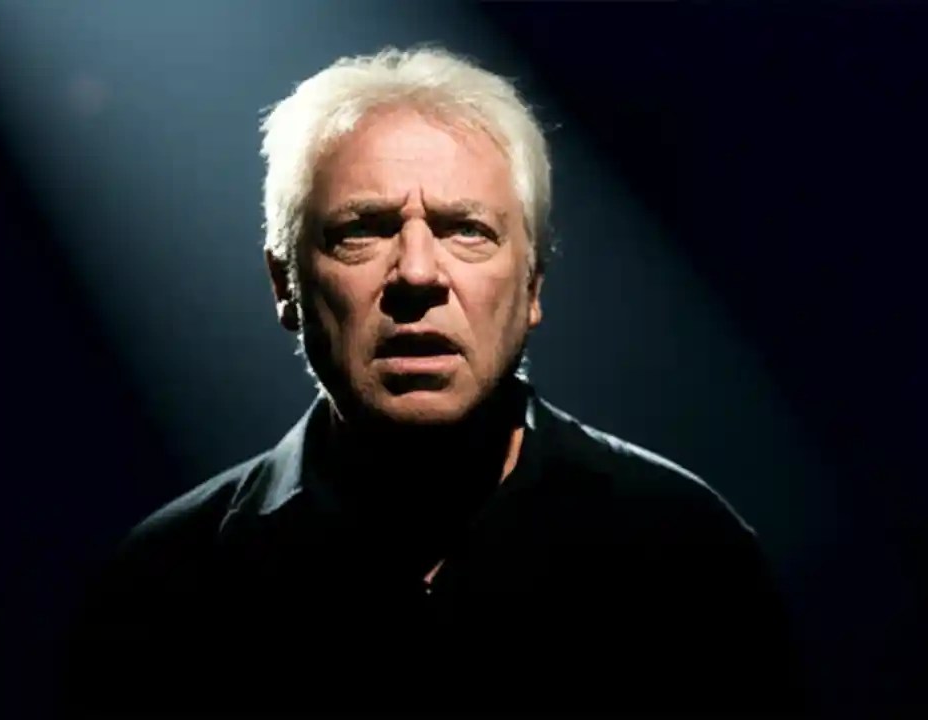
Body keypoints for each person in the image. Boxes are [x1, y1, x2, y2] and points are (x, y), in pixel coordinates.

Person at [61, 45, 805, 717]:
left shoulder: (686, 558)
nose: (417, 273)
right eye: (363, 229)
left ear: (534, 282)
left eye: (465, 229)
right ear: (285, 282)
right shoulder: (167, 587)